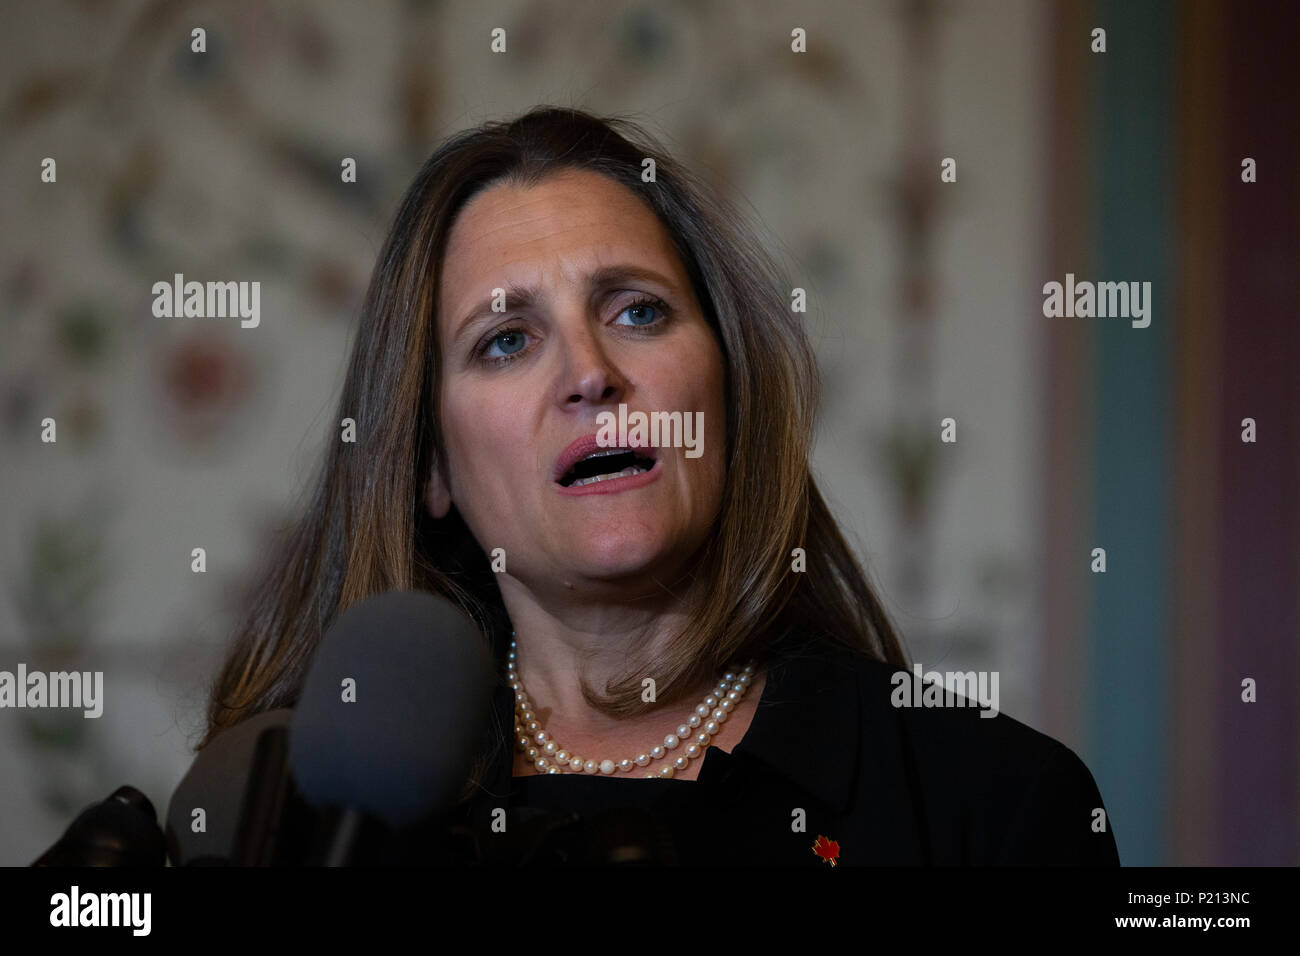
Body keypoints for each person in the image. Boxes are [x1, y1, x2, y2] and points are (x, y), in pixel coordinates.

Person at [200, 106, 1120, 866]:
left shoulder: (994, 802)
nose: (590, 374)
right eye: (506, 340)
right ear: (430, 466)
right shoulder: (303, 822)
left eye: (637, 311)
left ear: (726, 385)